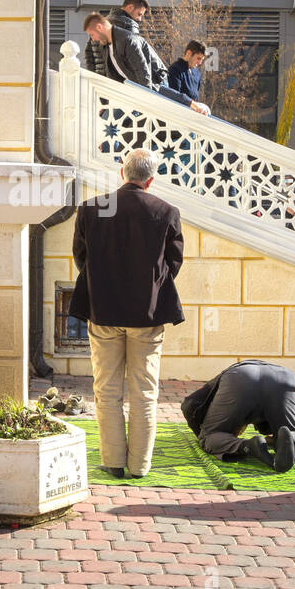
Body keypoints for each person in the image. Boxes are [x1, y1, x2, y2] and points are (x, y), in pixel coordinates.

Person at [69, 148, 185, 479]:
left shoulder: (93, 209)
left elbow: (82, 257)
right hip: (147, 315)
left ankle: (113, 461)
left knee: (106, 391)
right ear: (150, 180)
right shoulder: (166, 211)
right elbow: (172, 264)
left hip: (104, 311)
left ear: (123, 173)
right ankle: (140, 466)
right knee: (144, 394)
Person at [180, 360, 295, 472]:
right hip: (284, 377)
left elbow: (189, 405)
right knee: (292, 430)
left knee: (209, 436)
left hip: (240, 377)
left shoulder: (218, 388)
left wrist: (203, 433)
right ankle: (292, 440)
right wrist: (291, 426)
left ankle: (248, 445)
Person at [83, 13, 210, 115]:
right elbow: (111, 77)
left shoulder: (128, 41)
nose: (93, 39)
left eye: (92, 34)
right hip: (134, 91)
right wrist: (104, 103)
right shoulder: (105, 46)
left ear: (99, 27)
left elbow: (144, 74)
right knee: (108, 119)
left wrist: (145, 103)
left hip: (151, 86)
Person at [84, 0, 149, 79]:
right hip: (119, 84)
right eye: (139, 14)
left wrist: (93, 76)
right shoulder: (129, 26)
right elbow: (136, 61)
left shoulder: (102, 23)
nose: (140, 19)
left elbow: (89, 52)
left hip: (100, 82)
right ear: (130, 7)